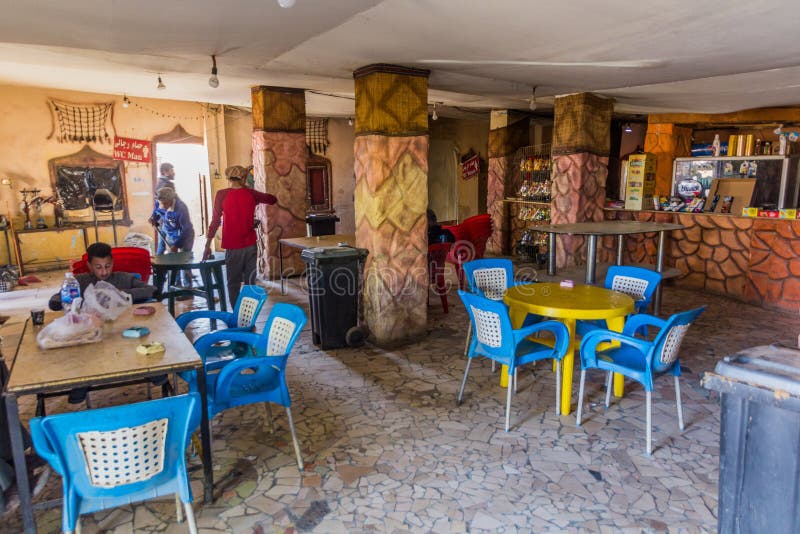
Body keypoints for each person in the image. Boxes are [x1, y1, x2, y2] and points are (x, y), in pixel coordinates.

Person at [204, 165, 277, 306]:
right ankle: (249, 317)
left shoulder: (221, 194)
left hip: (232, 246)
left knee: (233, 283)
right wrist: (254, 196)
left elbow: (215, 221)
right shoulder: (251, 193)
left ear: (228, 178)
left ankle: (236, 317)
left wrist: (207, 245)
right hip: (250, 245)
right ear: (243, 178)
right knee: (250, 283)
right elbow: (272, 199)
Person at [48, 242, 157, 311]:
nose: (104, 271)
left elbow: (152, 290)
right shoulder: (80, 281)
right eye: (98, 267)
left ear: (113, 263)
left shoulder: (123, 278)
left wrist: (119, 294)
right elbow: (54, 300)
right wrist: (76, 301)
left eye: (108, 266)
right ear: (89, 266)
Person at [150, 187, 195, 287]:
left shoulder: (181, 208)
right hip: (170, 232)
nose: (163, 206)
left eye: (165, 204)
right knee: (173, 263)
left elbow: (186, 230)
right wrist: (154, 218)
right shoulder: (160, 201)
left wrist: (176, 245)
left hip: (185, 236)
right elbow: (157, 210)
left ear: (171, 200)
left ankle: (188, 290)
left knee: (184, 262)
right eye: (161, 203)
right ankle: (176, 288)